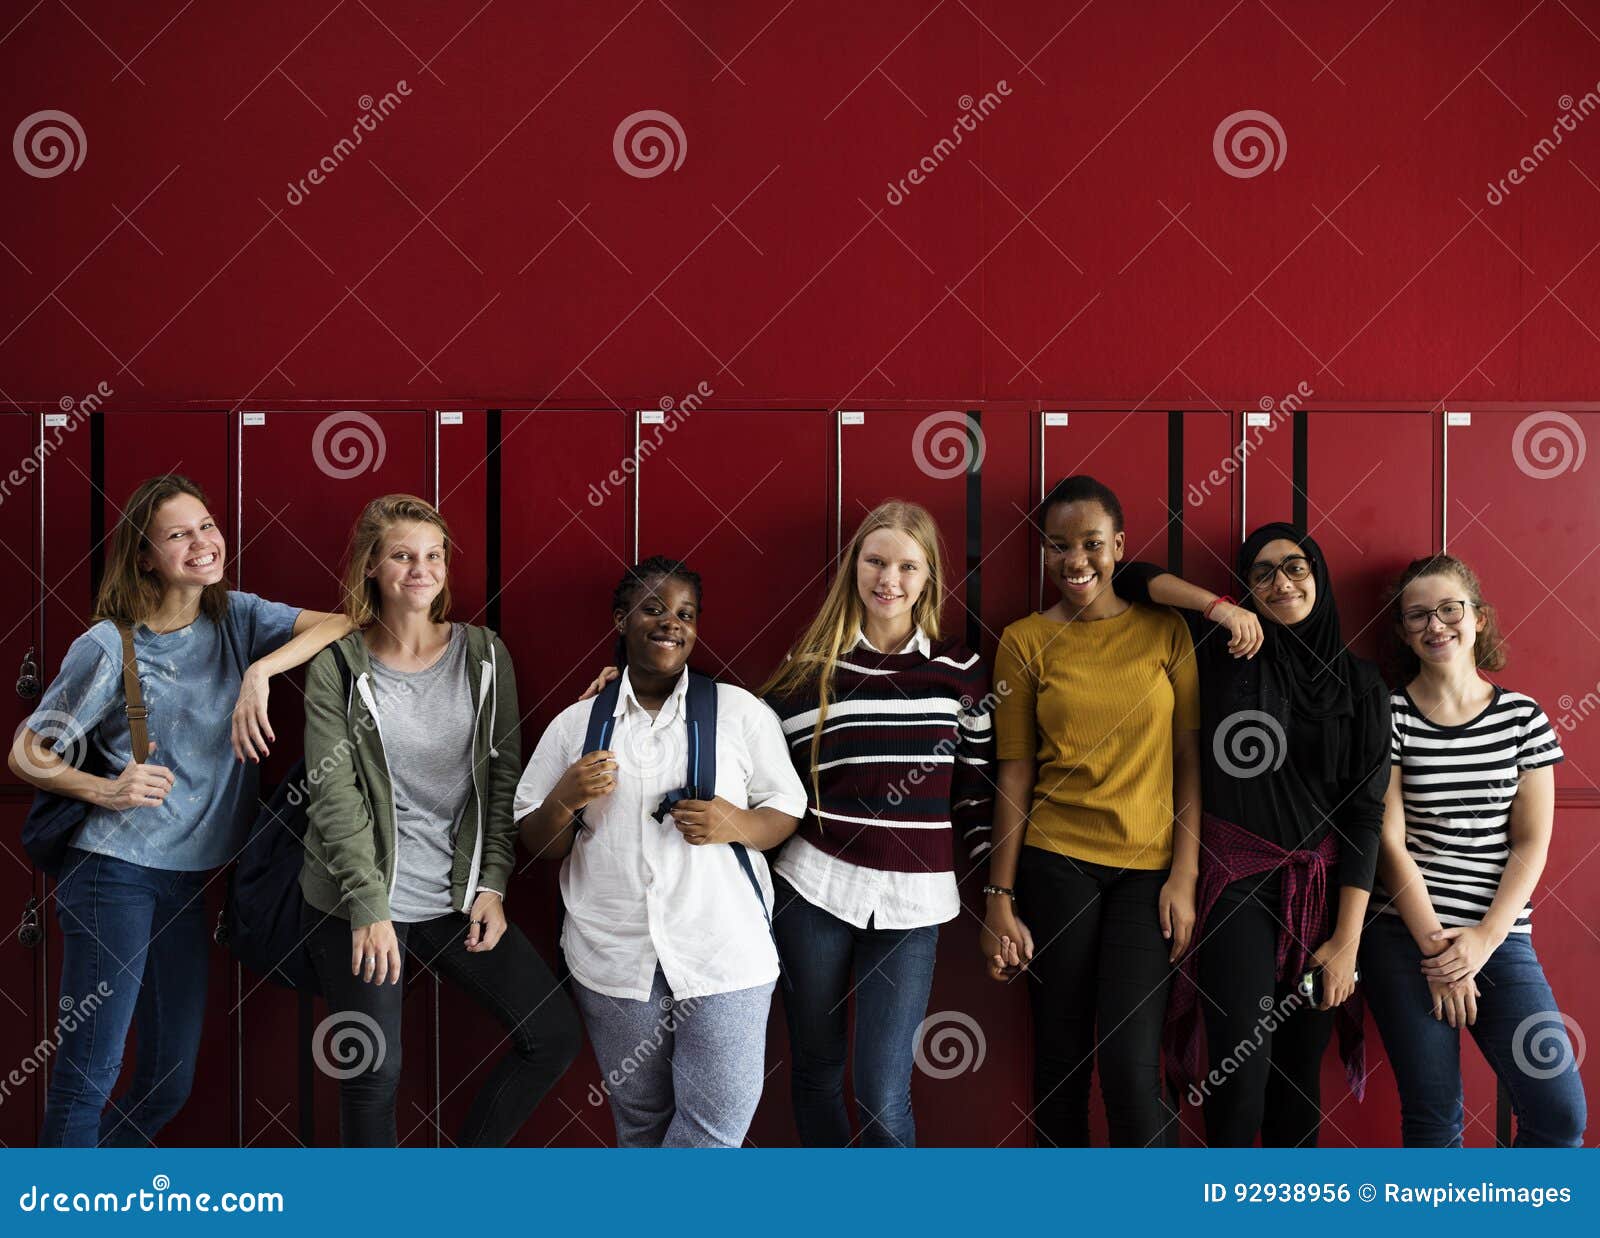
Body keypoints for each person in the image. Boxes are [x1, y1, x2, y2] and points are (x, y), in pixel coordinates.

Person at [10, 474, 353, 1146]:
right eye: (178, 534)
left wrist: (261, 672)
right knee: (90, 1072)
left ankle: (92, 1196)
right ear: (145, 556)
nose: (202, 542)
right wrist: (105, 790)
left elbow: (346, 624)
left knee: (168, 1077)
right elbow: (26, 752)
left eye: (207, 525)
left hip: (186, 882)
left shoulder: (239, 619)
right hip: (115, 875)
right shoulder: (112, 646)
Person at [299, 494, 580, 1146]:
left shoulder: (483, 657)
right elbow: (333, 797)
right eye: (402, 555)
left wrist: (493, 884)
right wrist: (370, 907)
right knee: (375, 1072)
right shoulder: (337, 667)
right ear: (372, 566)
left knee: (552, 1036)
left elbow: (503, 779)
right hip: (357, 901)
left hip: (455, 894)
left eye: (432, 555)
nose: (420, 569)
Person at [1110, 521, 1390, 1147]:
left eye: (1295, 567)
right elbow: (1127, 576)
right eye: (1261, 572)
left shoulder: (1363, 684)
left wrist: (1346, 942)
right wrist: (1219, 608)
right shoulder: (1223, 655)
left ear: (1317, 575)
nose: (1280, 582)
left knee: (1297, 1075)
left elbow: (1365, 818)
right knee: (1240, 1069)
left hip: (1320, 897)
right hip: (1236, 883)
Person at [516, 556, 806, 1147]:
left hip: (725, 955)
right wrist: (566, 798)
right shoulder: (577, 724)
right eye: (653, 608)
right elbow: (535, 842)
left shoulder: (740, 713)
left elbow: (787, 810)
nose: (670, 623)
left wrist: (735, 822)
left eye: (685, 614)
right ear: (622, 619)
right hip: (615, 960)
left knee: (713, 1131)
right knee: (641, 1128)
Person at [758, 500, 994, 1147]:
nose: (889, 579)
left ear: (928, 578)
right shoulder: (808, 674)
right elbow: (748, 765)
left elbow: (975, 795)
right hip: (812, 892)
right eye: (875, 561)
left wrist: (1006, 897)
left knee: (882, 1091)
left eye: (907, 566)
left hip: (913, 905)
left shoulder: (960, 673)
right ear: (854, 568)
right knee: (815, 1071)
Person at [983, 475, 1201, 1147]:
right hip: (1055, 865)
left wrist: (1185, 877)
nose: (1075, 561)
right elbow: (1014, 774)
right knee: (1060, 1061)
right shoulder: (1022, 642)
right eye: (1058, 546)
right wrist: (999, 896)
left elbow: (1192, 765)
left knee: (1132, 1070)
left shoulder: (1167, 632)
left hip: (1149, 873)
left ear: (1119, 548)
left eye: (1091, 544)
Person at [1362, 553, 1586, 1147]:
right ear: (1403, 631)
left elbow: (1532, 842)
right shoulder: (1390, 715)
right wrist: (1440, 952)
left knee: (1560, 1115)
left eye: (1448, 609)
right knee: (1435, 1122)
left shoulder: (1522, 717)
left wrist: (1481, 943)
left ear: (1477, 618)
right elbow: (1388, 840)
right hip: (1404, 937)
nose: (1435, 625)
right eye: (1417, 616)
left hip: (1500, 936)